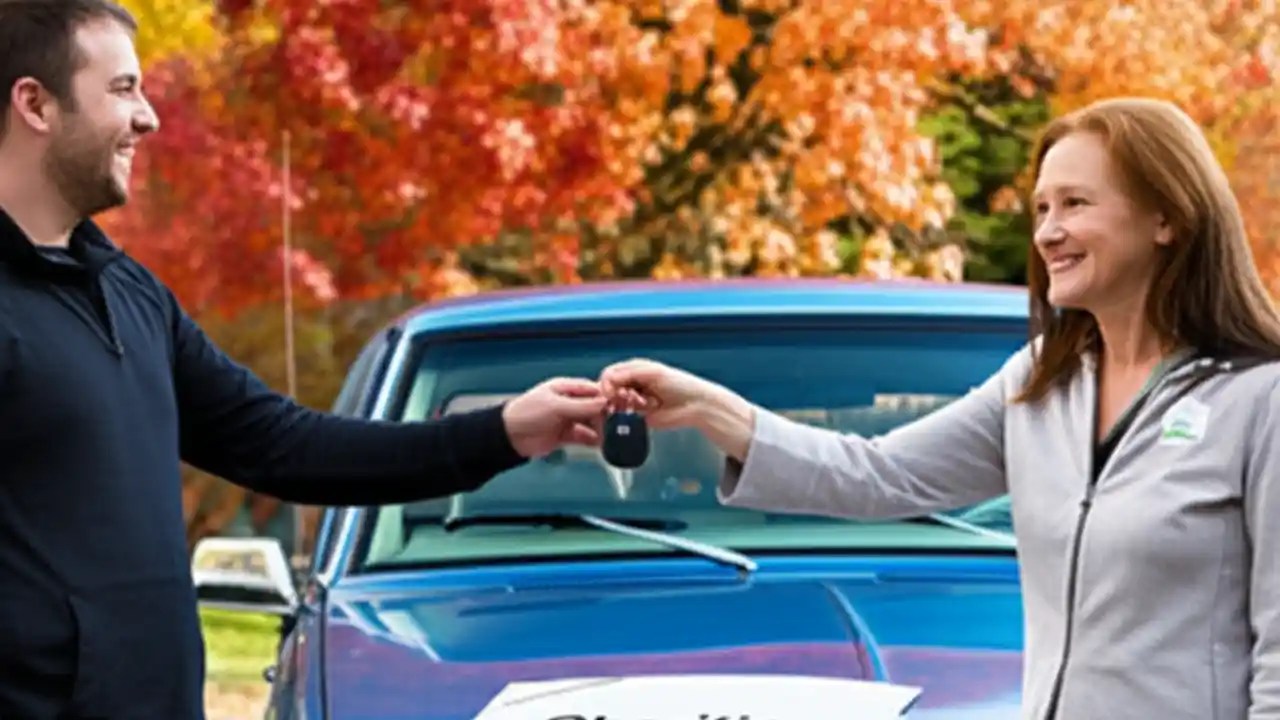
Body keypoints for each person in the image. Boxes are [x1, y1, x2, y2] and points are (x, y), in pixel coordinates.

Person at [0, 1, 607, 718]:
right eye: (123, 89)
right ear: (35, 103)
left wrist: (504, 431)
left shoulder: (131, 293)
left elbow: (284, 446)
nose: (149, 118)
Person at [600, 97, 1280, 720]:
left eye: (1075, 203)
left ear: (1168, 217)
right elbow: (877, 475)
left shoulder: (1260, 398)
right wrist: (710, 409)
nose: (1048, 233)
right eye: (1041, 209)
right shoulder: (1040, 383)